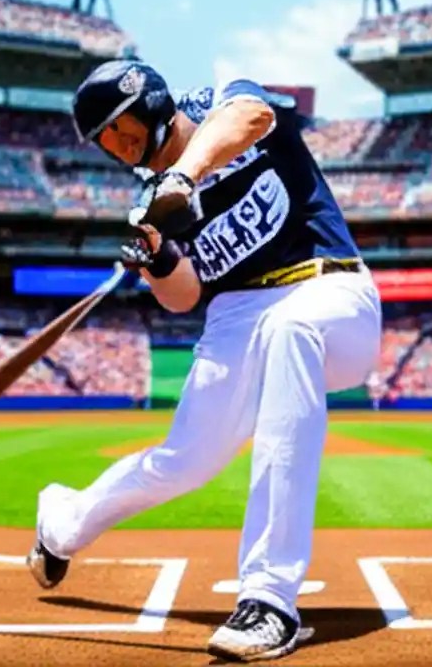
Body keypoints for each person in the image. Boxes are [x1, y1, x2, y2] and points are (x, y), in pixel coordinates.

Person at [27, 60, 382, 662]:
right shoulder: (150, 204)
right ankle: (61, 524)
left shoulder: (219, 98)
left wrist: (182, 182)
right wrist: (159, 258)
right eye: (105, 142)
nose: (117, 147)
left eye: (119, 128)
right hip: (235, 317)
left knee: (291, 328)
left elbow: (254, 116)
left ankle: (269, 597)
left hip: (328, 290)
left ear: (152, 104)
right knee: (184, 461)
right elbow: (186, 295)